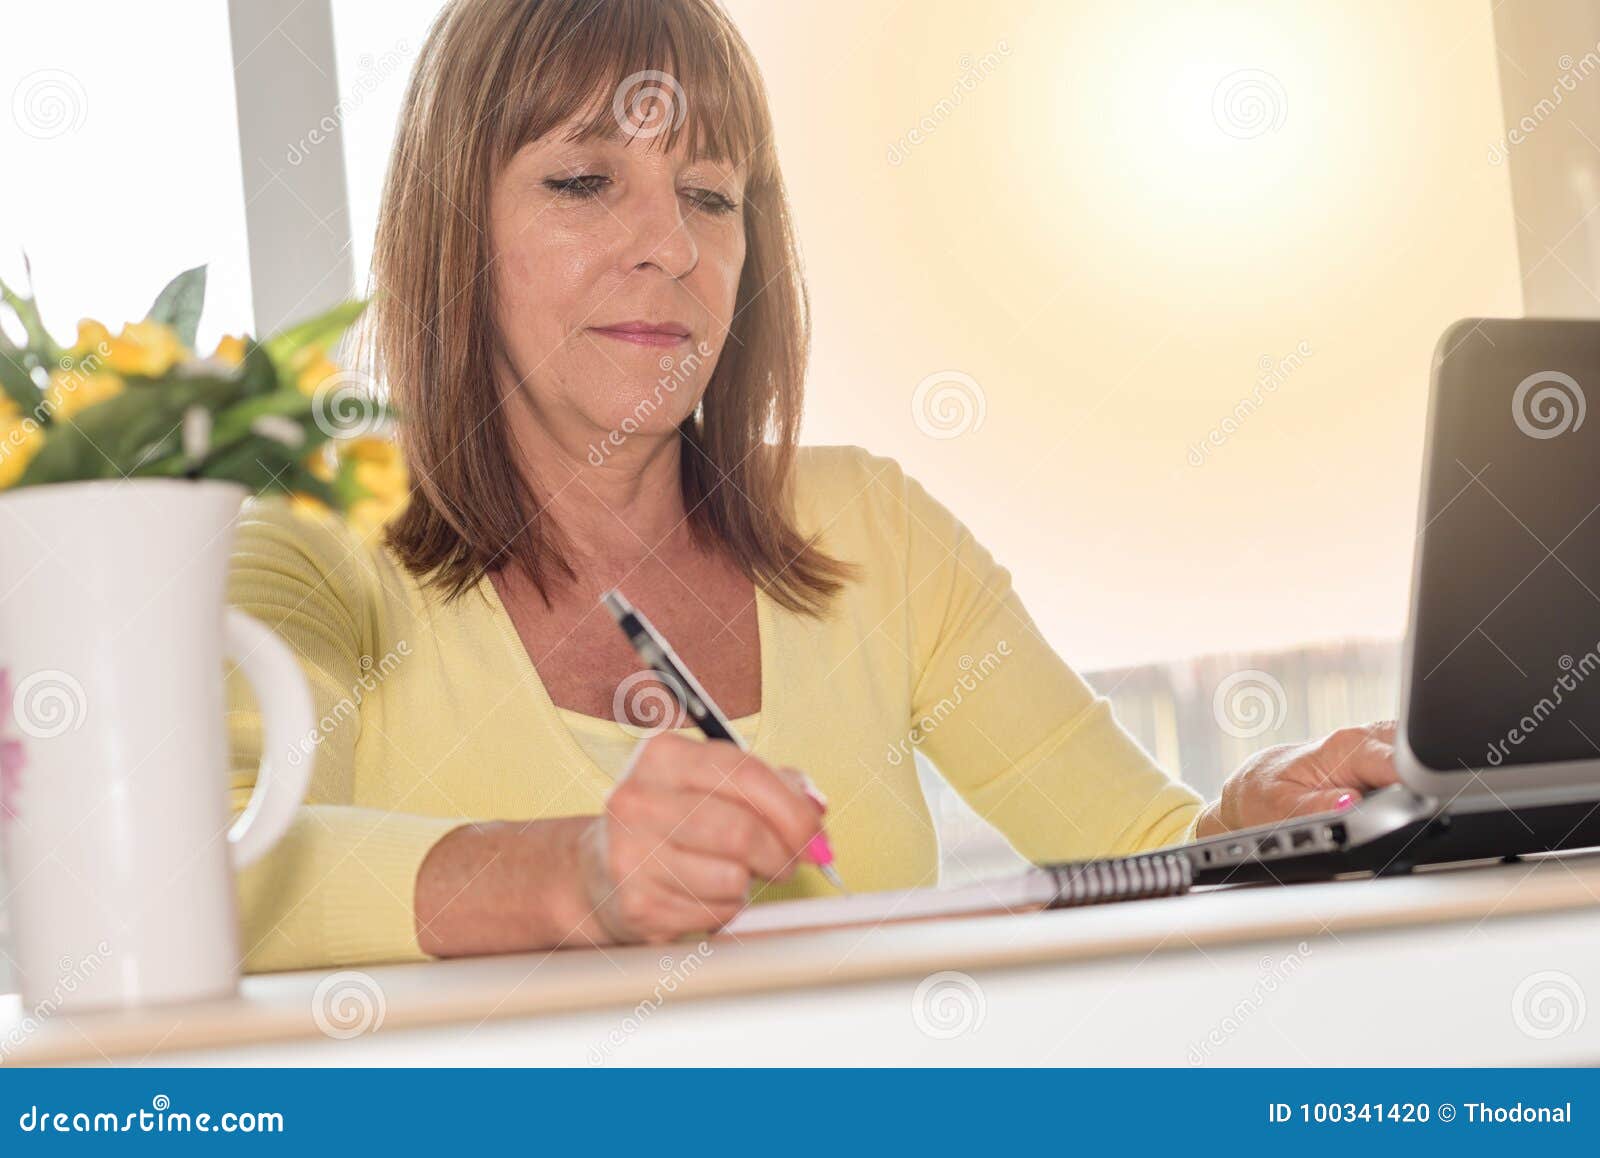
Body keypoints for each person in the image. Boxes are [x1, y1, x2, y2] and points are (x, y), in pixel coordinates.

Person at [226, 0, 1398, 971]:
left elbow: (1143, 850)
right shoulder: (313, 548)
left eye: (708, 195)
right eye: (584, 181)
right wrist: (572, 876)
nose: (671, 246)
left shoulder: (873, 530)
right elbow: (203, 875)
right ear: (452, 227)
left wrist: (1250, 827)